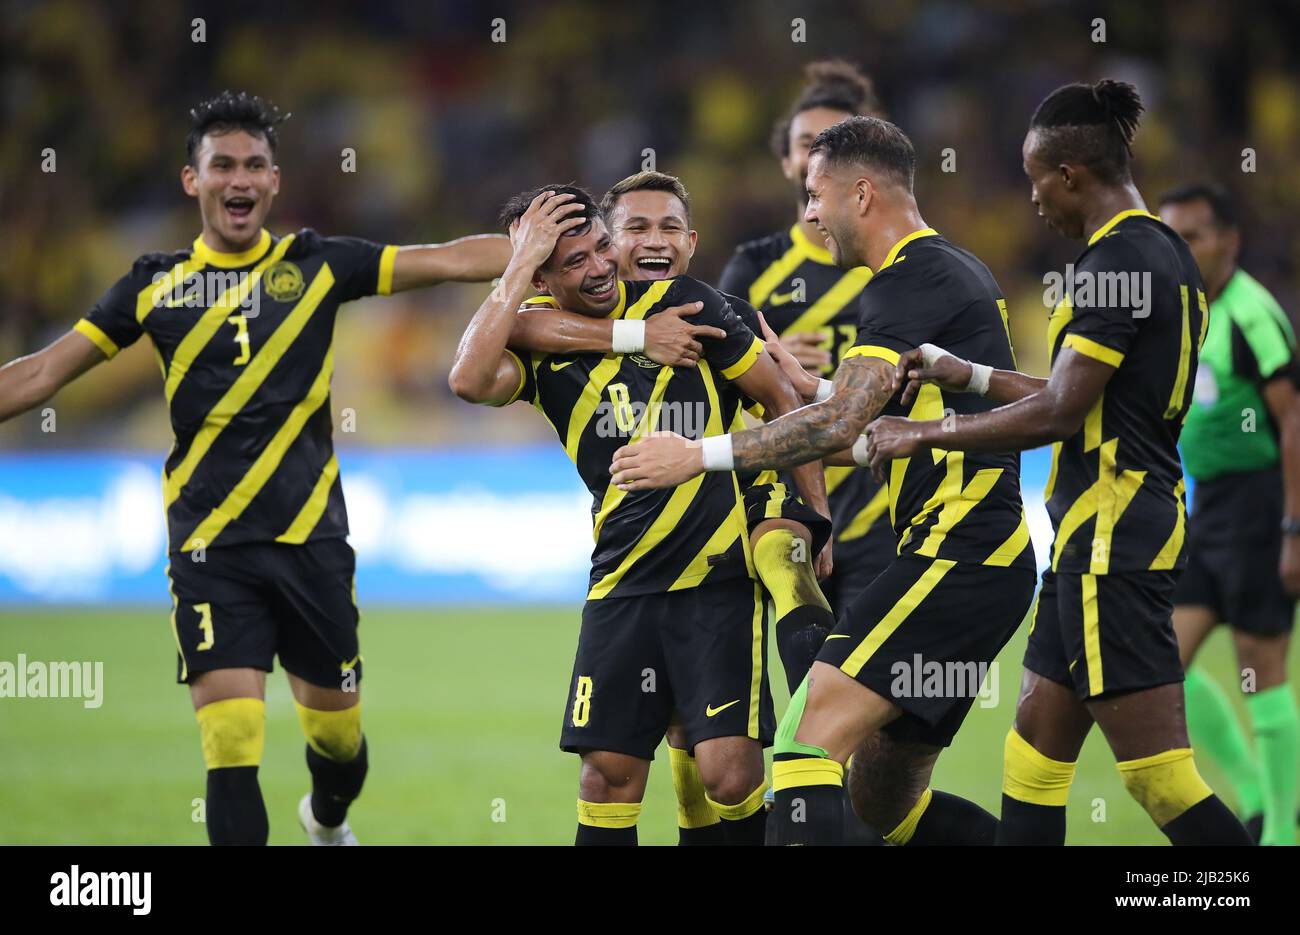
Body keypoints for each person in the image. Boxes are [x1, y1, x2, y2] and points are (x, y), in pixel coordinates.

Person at [0, 91, 512, 845]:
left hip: (312, 543)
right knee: (231, 744)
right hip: (210, 547)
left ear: (274, 181)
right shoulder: (152, 285)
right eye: (222, 165)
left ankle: (327, 819)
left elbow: (448, 260)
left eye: (253, 165)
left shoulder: (319, 264)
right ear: (192, 179)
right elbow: (44, 372)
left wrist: (542, 248)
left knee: (338, 746)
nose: (238, 179)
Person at [610, 116, 1036, 846]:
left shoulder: (907, 281)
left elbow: (839, 429)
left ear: (860, 194)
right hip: (976, 561)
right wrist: (813, 390)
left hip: (958, 557)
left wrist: (698, 454)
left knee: (804, 743)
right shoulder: (954, 269)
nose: (809, 213)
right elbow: (878, 434)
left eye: (816, 194)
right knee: (883, 800)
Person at [865, 81, 1253, 845]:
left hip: (1114, 537)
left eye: (1035, 178)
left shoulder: (1113, 263)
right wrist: (972, 375)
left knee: (1158, 776)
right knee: (1035, 754)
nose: (1034, 198)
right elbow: (1084, 395)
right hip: (1098, 534)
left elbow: (1061, 413)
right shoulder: (1163, 252)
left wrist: (927, 433)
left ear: (1069, 174)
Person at [449, 185, 825, 845]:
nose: (600, 267)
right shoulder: (536, 339)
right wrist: (527, 268)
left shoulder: (691, 305)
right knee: (607, 776)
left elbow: (781, 402)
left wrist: (817, 516)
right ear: (538, 278)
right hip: (623, 580)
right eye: (573, 262)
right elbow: (468, 379)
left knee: (729, 776)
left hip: (715, 575)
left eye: (601, 247)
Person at [719, 60, 894, 620]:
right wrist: (766, 363)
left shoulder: (900, 265)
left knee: (870, 673)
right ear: (788, 161)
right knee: (805, 664)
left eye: (835, 142)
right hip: (788, 510)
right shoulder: (754, 267)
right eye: (807, 143)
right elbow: (717, 383)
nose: (820, 155)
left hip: (885, 511)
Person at [1160, 182, 1300, 845]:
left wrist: (1293, 528)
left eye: (1192, 237)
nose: (1180, 252)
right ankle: (1254, 796)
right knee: (1162, 664)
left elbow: (1293, 421)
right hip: (1208, 504)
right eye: (1170, 238)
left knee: (1260, 668)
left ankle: (1281, 833)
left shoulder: (1251, 314)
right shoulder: (1183, 314)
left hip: (1262, 501)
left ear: (1229, 242)